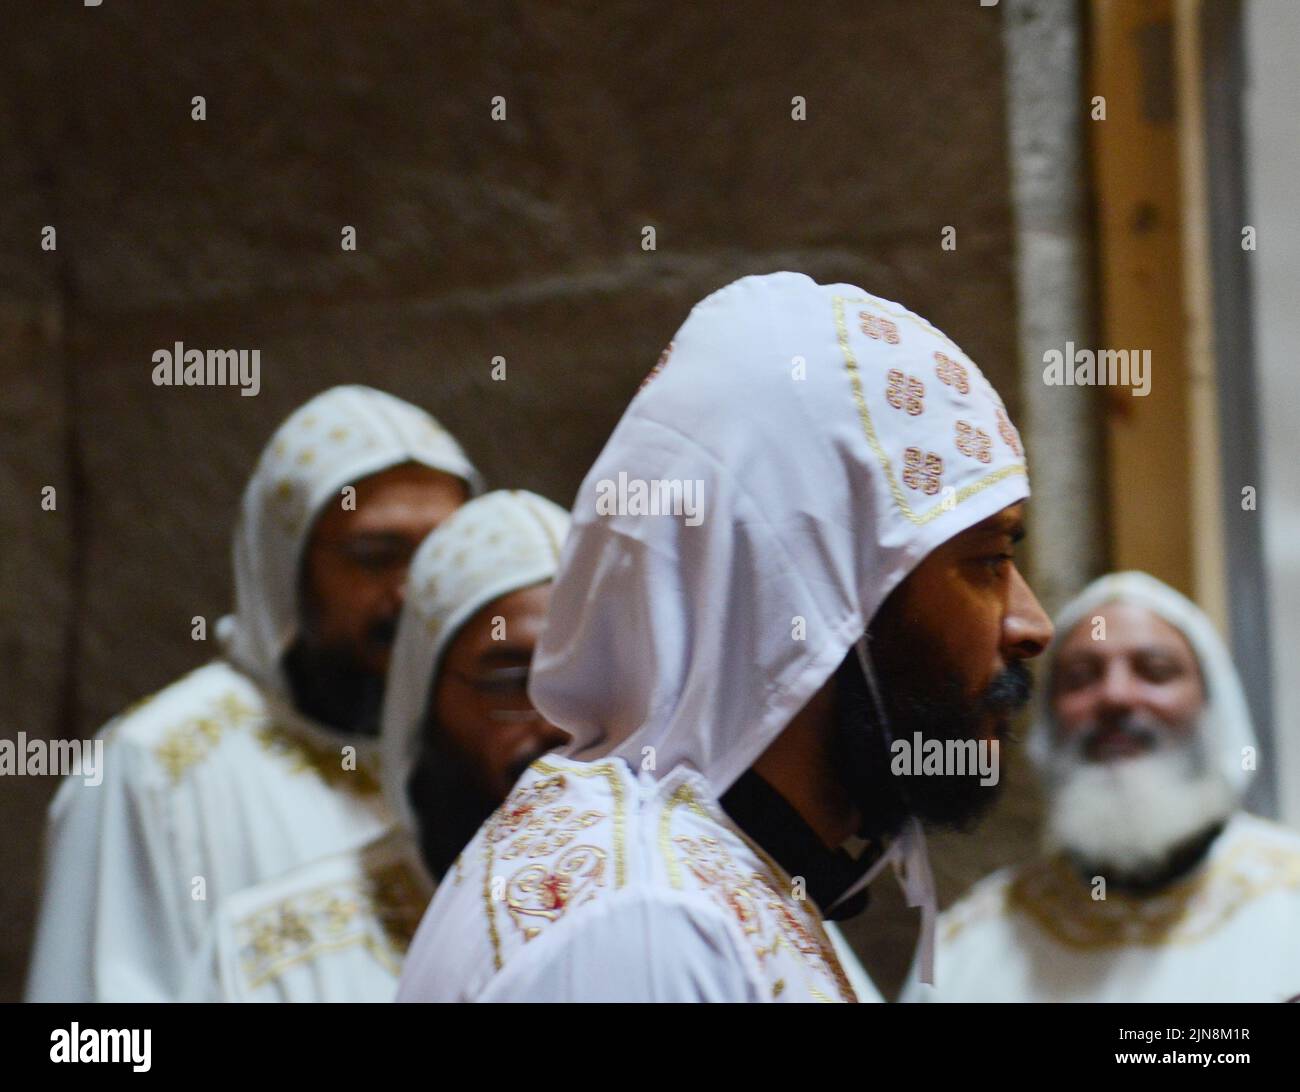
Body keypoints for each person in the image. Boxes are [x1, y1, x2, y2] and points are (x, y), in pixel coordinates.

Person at [396, 270, 1052, 1003]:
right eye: (989, 561)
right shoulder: (644, 927)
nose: (1032, 624)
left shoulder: (710, 874)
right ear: (829, 593)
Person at [25, 385, 481, 1002]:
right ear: (283, 567)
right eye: (376, 557)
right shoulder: (154, 767)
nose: (413, 591)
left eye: (444, 557)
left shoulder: (476, 749)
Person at [183, 489, 572, 1001]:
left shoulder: (673, 919)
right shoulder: (274, 961)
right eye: (507, 680)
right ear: (422, 701)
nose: (558, 726)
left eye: (585, 682)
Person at [903, 571, 1300, 1003]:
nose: (1115, 696)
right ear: (1049, 721)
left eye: (1155, 671)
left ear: (1212, 708)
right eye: (1080, 677)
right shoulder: (970, 945)